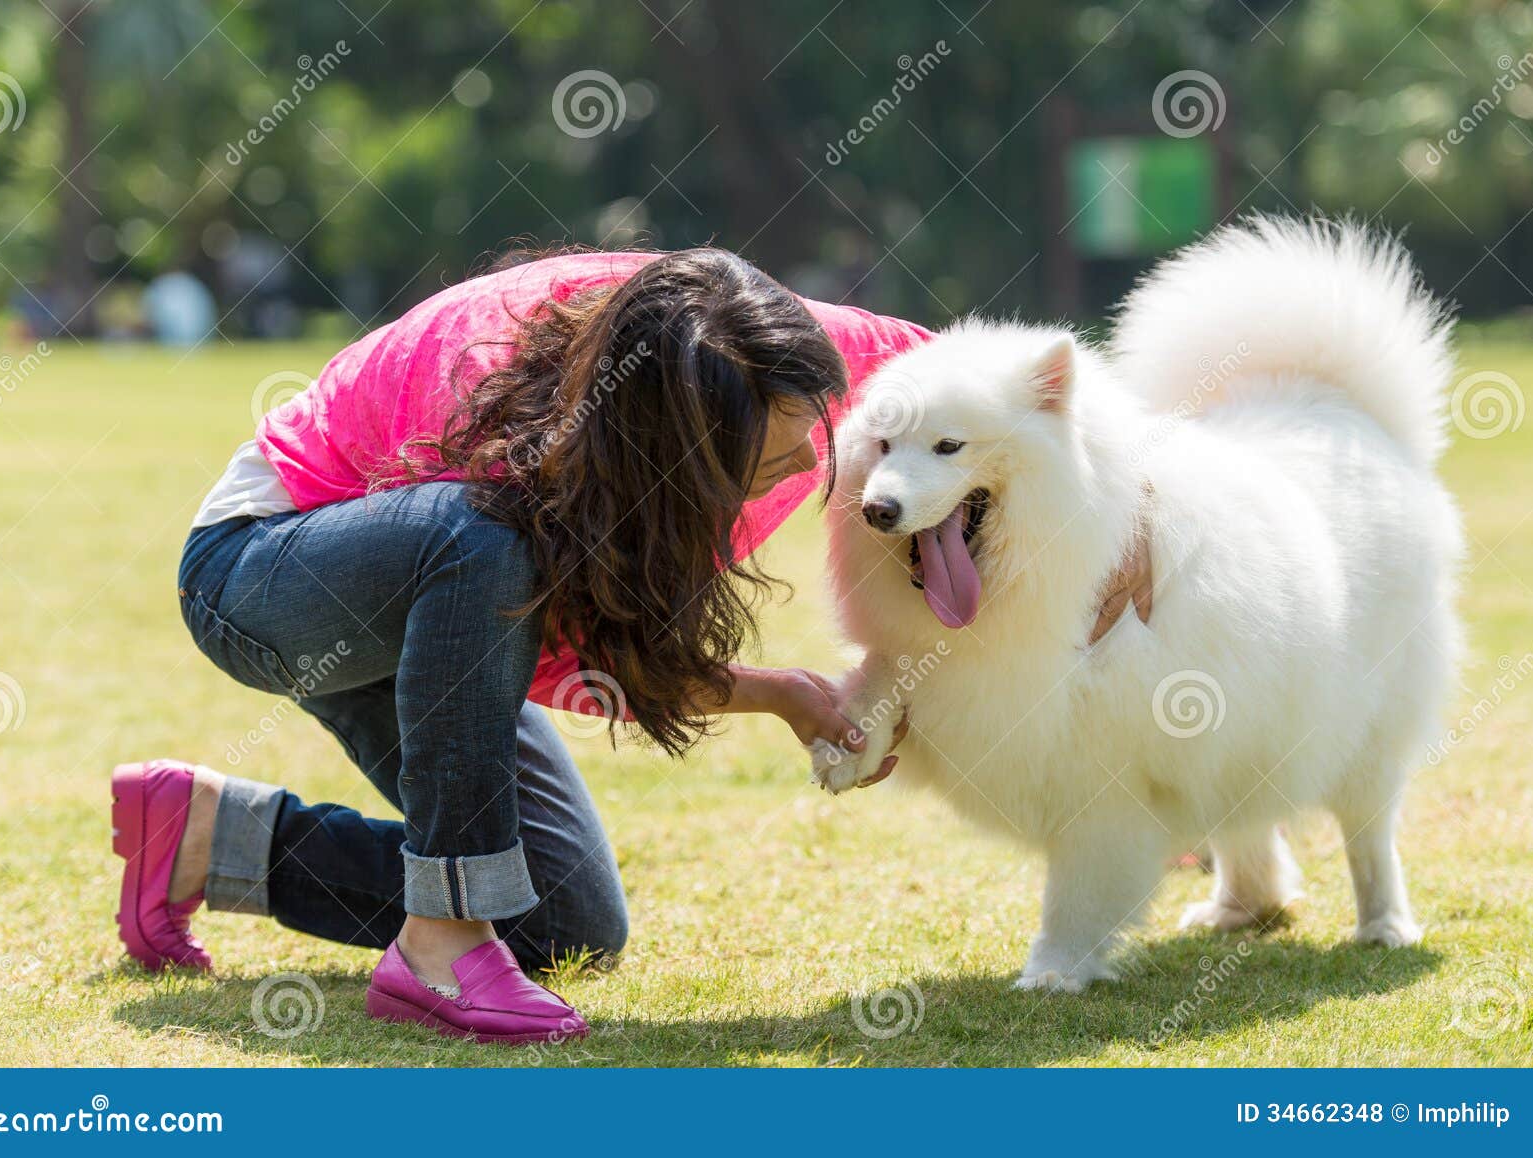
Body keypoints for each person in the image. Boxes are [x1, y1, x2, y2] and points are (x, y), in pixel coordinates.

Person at [111, 246, 1152, 1045]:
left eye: (815, 417)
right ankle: (439, 943)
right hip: (266, 577)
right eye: (775, 437)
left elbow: (993, 383)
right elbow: (559, 649)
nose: (814, 454)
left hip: (437, 619)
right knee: (481, 542)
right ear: (673, 437)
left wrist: (1135, 512)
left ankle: (209, 836)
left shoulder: (764, 341)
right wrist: (781, 691)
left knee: (563, 919)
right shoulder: (503, 405)